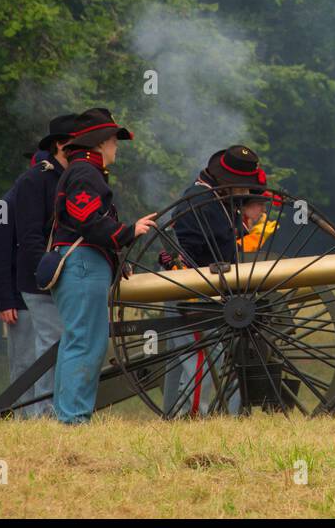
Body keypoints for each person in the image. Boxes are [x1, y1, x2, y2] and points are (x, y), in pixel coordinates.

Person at [48, 108, 156, 424]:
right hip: (82, 265)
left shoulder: (86, 172)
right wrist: (128, 231)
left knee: (80, 341)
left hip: (85, 264)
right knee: (86, 343)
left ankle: (68, 416)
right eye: (113, 141)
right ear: (101, 143)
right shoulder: (84, 173)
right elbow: (88, 221)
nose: (116, 147)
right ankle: (73, 419)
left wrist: (117, 259)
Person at [163, 145, 274, 416]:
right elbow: (197, 248)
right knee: (200, 358)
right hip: (193, 291)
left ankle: (176, 416)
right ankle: (191, 419)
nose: (245, 193)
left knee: (187, 360)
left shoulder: (215, 201)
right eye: (243, 187)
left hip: (206, 290)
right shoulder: (199, 200)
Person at [0, 114, 77, 417]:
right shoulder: (11, 201)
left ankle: (40, 415)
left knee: (41, 357)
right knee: (25, 363)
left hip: (36, 287)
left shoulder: (41, 190)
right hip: (18, 293)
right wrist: (4, 298)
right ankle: (26, 418)